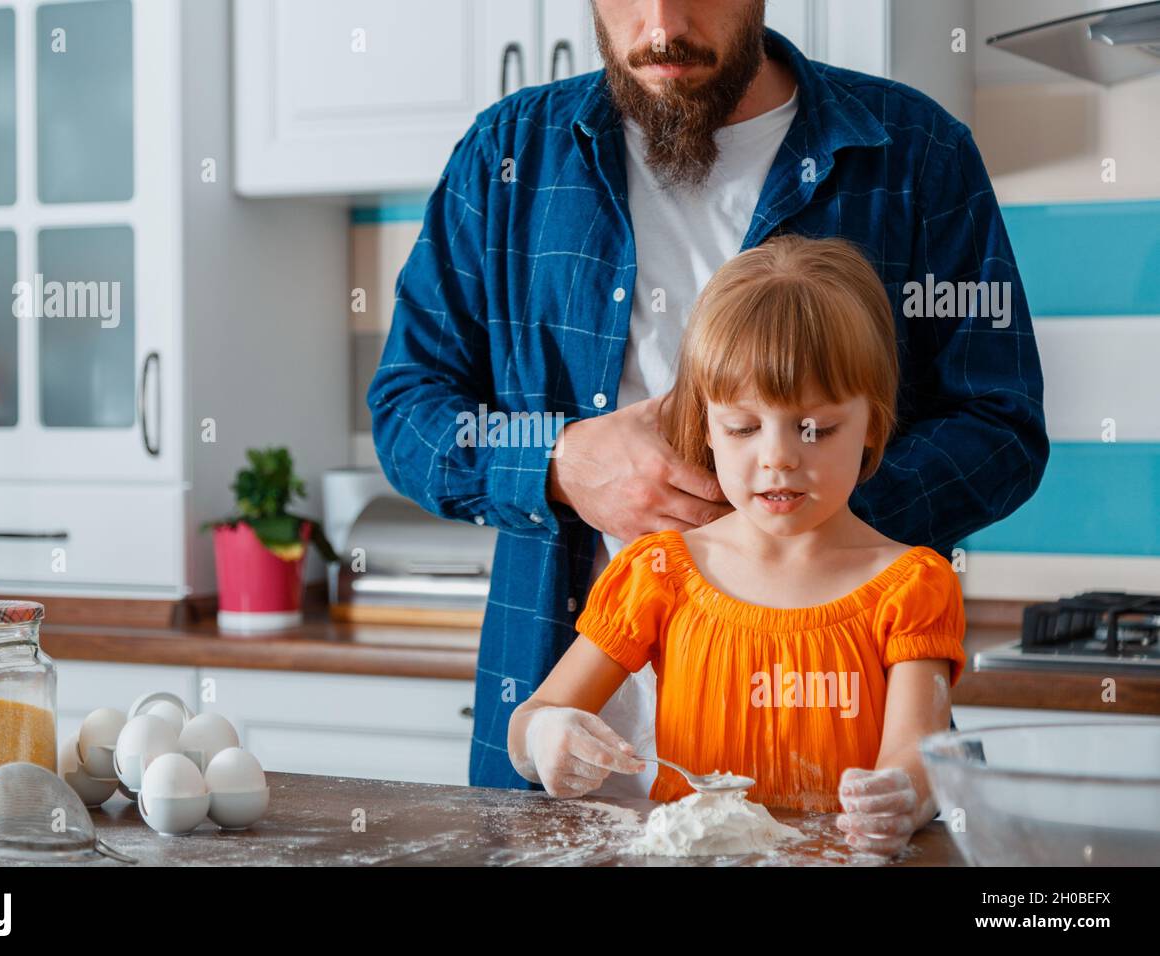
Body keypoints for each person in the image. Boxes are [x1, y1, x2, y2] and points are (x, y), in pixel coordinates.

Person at [366, 1, 1048, 798]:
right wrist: (556, 462)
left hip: (833, 763)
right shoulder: (507, 154)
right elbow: (408, 410)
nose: (663, 24)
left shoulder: (916, 153)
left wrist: (800, 522)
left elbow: (1001, 427)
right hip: (557, 748)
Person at [507, 235, 965, 856]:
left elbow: (916, 755)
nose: (777, 456)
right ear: (706, 430)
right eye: (743, 427)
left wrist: (901, 798)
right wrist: (548, 740)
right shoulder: (660, 572)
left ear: (871, 428)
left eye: (816, 428)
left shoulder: (912, 587)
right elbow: (532, 720)